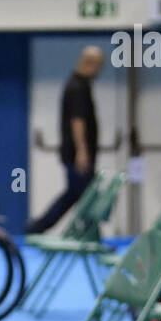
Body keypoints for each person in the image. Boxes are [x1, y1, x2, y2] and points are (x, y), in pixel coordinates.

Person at [25, 47, 104, 235]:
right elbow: (77, 121)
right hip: (77, 153)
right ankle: (91, 236)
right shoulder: (77, 87)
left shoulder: (81, 85)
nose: (101, 70)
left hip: (76, 152)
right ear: (90, 64)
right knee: (87, 198)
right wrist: (82, 151)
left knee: (73, 195)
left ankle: (37, 227)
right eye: (100, 66)